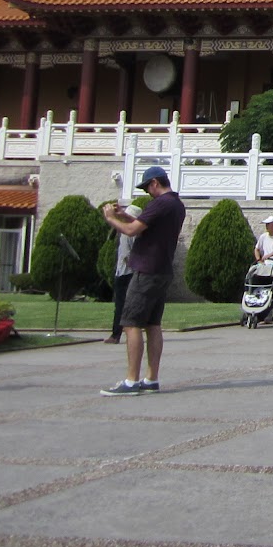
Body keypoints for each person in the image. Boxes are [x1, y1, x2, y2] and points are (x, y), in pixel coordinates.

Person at [98, 165, 186, 395]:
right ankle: (151, 378)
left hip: (147, 270)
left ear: (155, 183)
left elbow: (131, 230)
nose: (148, 192)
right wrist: (124, 214)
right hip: (162, 269)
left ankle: (131, 380)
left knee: (131, 323)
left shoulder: (160, 203)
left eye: (148, 187)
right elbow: (147, 224)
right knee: (153, 324)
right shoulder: (176, 205)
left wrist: (110, 218)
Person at [104, 199, 142, 345]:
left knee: (121, 305)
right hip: (122, 271)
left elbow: (133, 252)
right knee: (123, 304)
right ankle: (122, 332)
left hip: (127, 272)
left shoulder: (130, 233)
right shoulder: (124, 231)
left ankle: (116, 334)